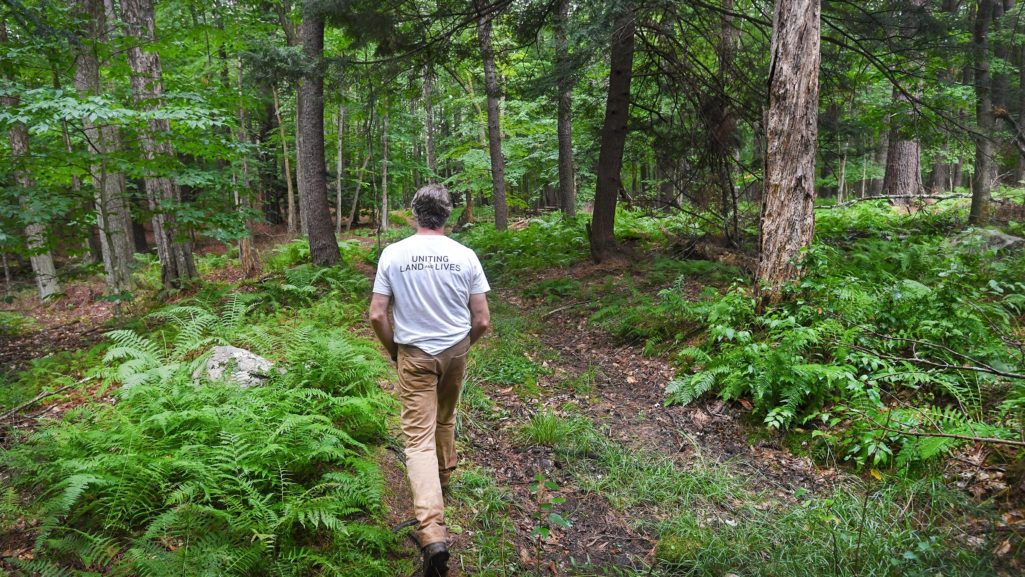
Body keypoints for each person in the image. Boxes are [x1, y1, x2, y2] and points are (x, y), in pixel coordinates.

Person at [369, 184, 491, 577]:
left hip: (415, 354)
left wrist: (395, 351)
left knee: (417, 439)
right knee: (445, 417)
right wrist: (462, 347)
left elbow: (376, 314)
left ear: (414, 213)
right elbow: (483, 319)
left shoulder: (394, 254)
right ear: (448, 215)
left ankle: (432, 529)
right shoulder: (465, 255)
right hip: (455, 350)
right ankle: (445, 477)